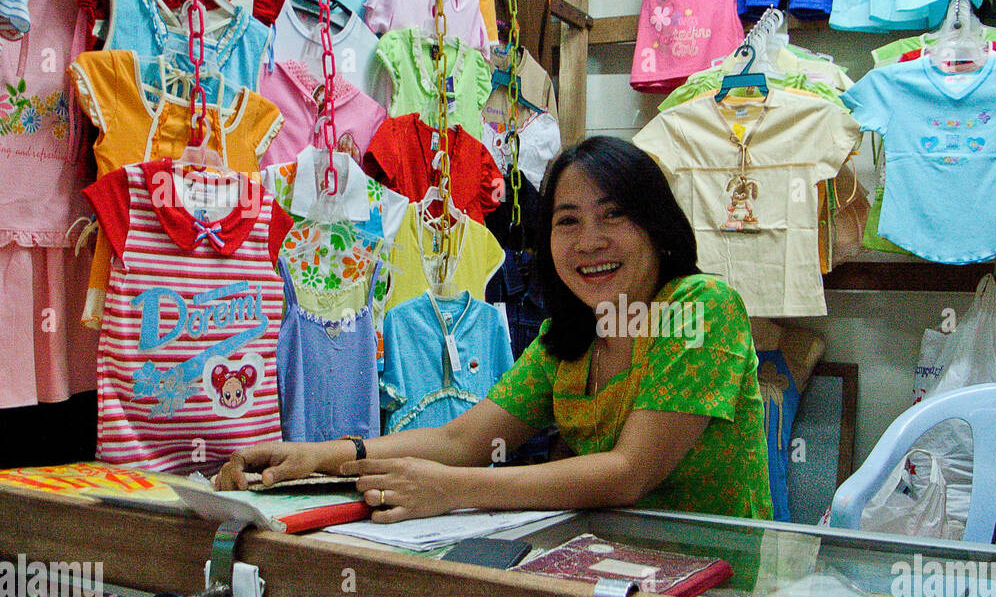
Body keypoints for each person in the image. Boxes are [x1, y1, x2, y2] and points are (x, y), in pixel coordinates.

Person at [216, 135, 773, 521]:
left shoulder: (701, 308)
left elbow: (627, 473)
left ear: (657, 226)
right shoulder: (569, 337)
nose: (589, 241)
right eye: (568, 222)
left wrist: (451, 490)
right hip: (610, 570)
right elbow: (460, 438)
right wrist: (320, 456)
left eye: (613, 216)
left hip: (713, 583)